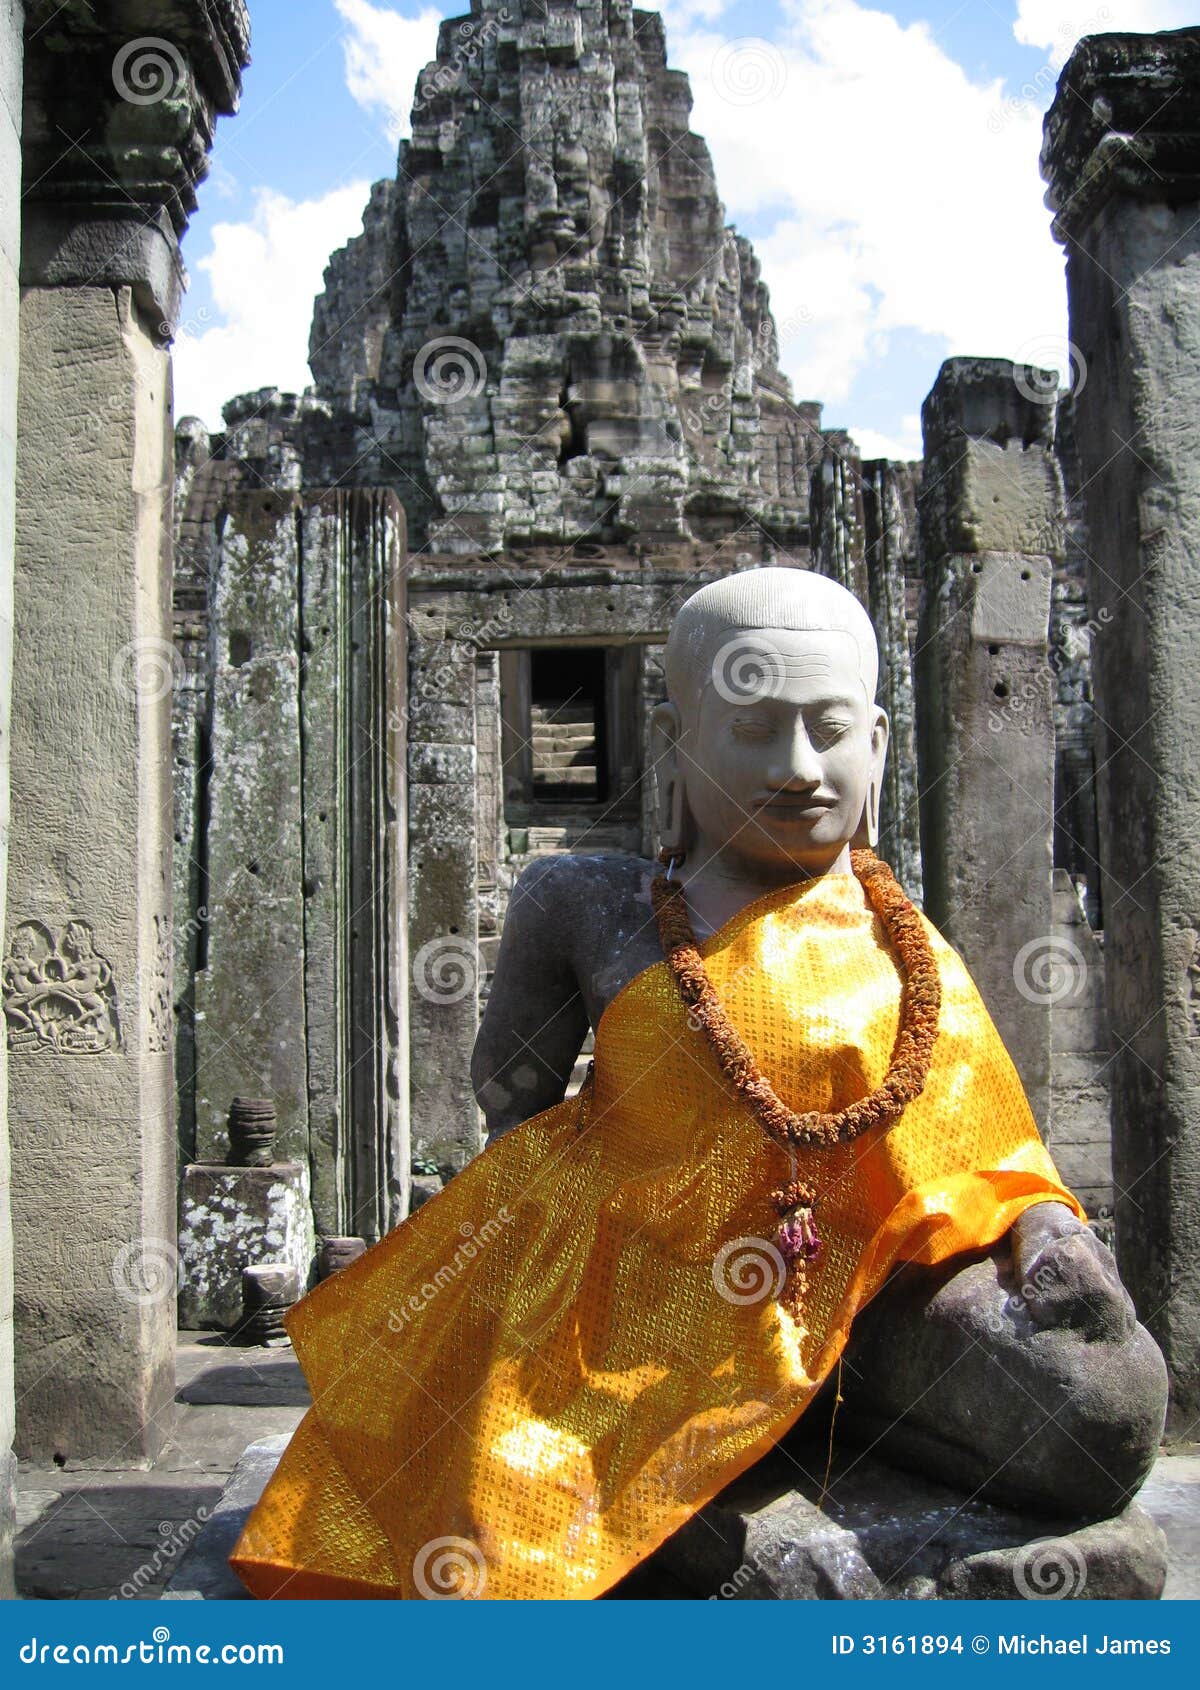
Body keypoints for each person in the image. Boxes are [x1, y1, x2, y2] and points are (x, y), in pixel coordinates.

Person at [230, 567, 1165, 1600]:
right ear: (677, 741)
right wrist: (477, 1328)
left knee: (1108, 1409)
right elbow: (517, 1114)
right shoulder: (589, 901)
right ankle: (697, 1499)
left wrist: (1047, 1225)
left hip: (864, 1279)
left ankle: (763, 1449)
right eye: (755, 728)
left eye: (830, 729)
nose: (799, 767)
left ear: (882, 745)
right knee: (515, 1468)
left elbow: (980, 1134)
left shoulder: (897, 927)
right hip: (638, 1296)